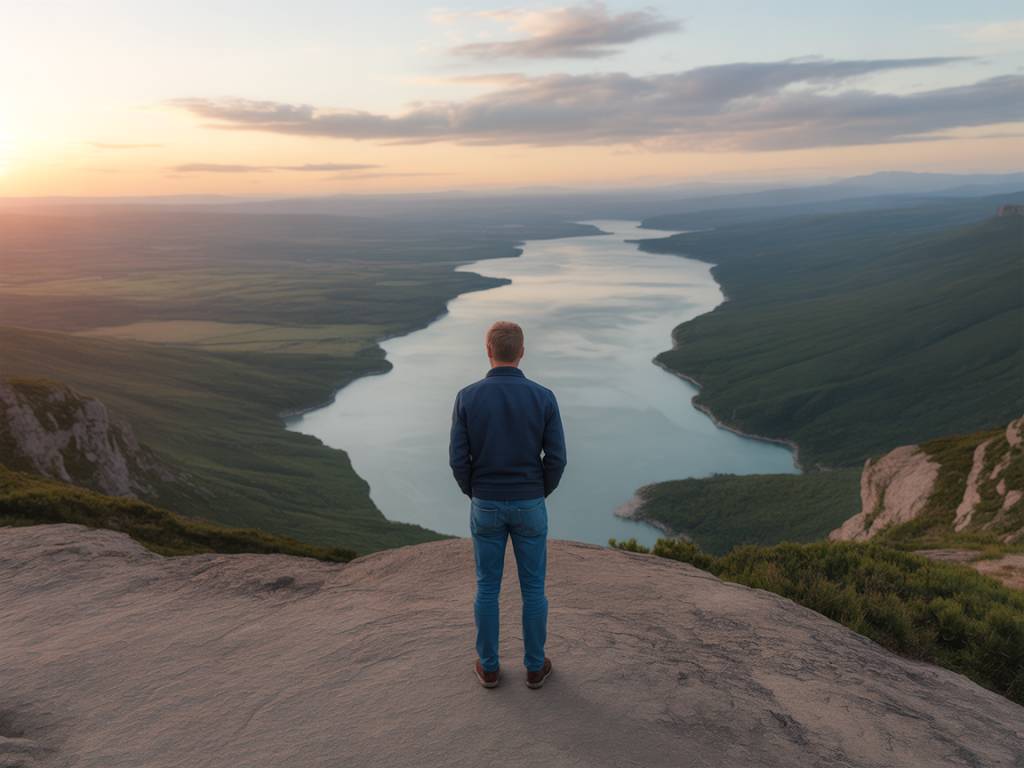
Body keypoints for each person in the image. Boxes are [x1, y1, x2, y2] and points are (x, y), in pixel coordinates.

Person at [449, 320, 567, 690]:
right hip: (529, 501)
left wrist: (476, 491)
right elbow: (557, 458)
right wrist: (537, 492)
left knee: (487, 587)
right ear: (521, 351)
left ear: (488, 351)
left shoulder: (468, 396)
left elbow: (457, 459)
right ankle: (534, 667)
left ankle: (490, 667)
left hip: (486, 503)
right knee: (533, 589)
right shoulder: (543, 396)